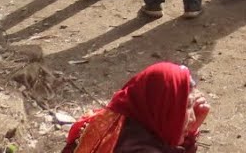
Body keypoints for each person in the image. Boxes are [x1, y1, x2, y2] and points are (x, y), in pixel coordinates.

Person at [64, 61, 209, 153]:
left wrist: (189, 133)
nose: (193, 117)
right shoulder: (139, 149)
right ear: (162, 108)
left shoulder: (115, 120)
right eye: (187, 106)